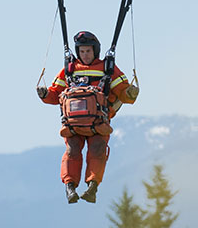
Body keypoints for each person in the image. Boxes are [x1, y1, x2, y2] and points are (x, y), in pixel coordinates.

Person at [38, 30, 139, 204]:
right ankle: (70, 186)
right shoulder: (69, 69)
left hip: (99, 123)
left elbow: (123, 93)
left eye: (88, 51)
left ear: (95, 51)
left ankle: (92, 186)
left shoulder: (107, 68)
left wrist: (130, 92)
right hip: (74, 124)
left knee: (98, 149)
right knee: (72, 150)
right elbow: (55, 95)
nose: (85, 55)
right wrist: (45, 94)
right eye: (82, 51)